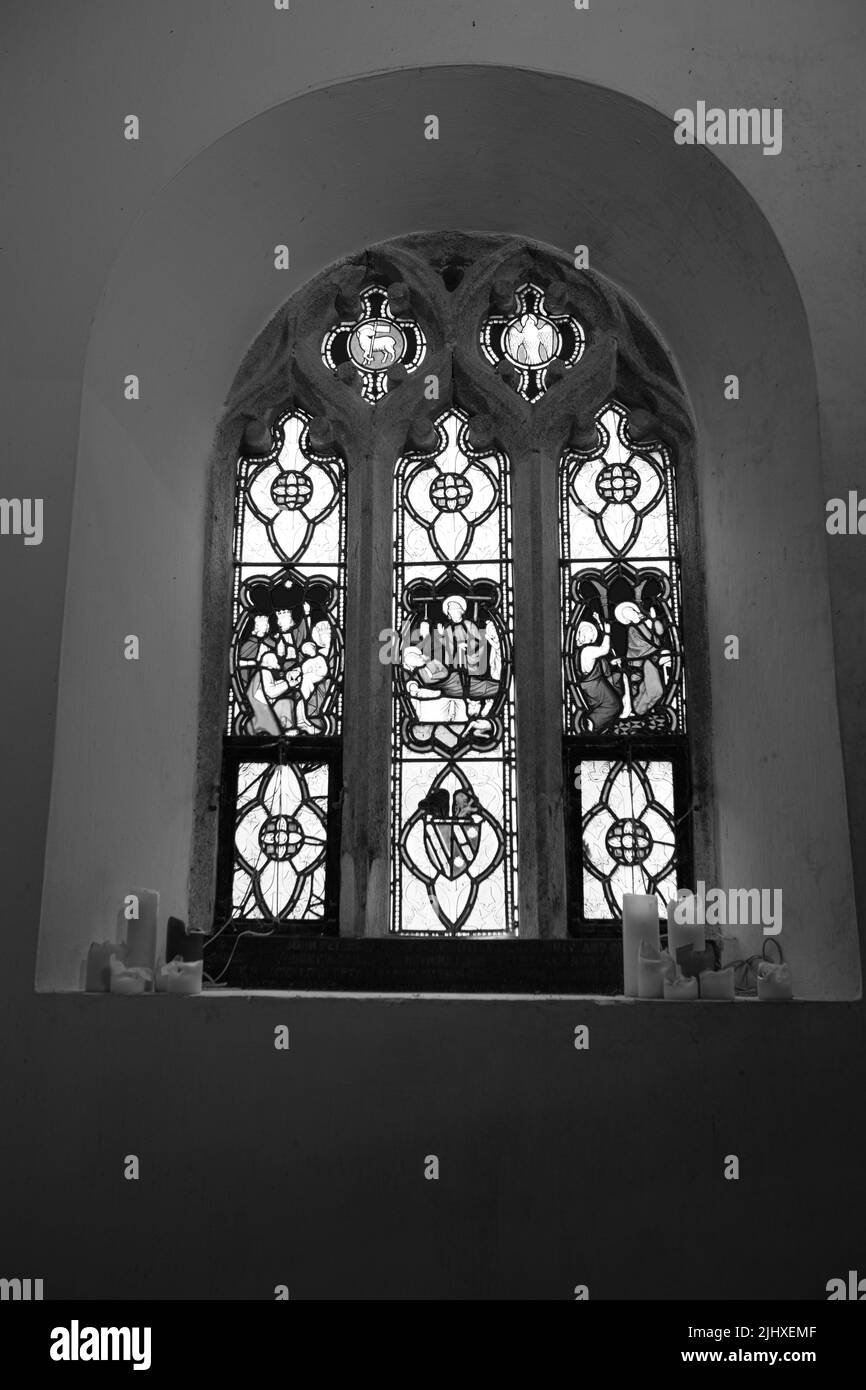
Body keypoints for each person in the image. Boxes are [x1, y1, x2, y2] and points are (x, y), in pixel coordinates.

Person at [574, 617, 623, 732]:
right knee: (613, 705)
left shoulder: (578, 651)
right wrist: (607, 631)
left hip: (588, 685)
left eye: (590, 631)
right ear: (581, 636)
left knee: (606, 705)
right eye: (587, 630)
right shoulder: (587, 651)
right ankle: (590, 725)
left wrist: (611, 662)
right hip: (595, 685)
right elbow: (604, 649)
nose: (590, 632)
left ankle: (594, 727)